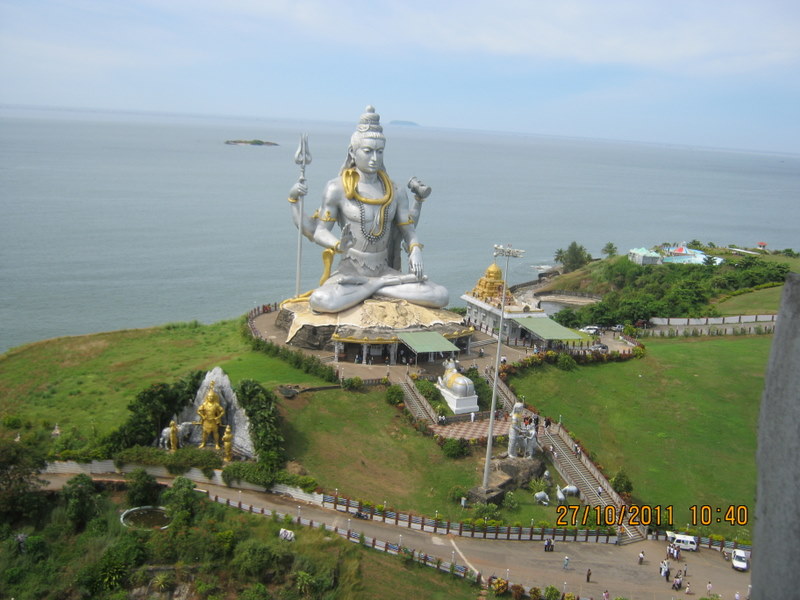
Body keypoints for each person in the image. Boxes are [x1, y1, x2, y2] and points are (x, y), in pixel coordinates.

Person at [287, 106, 449, 313]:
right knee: (321, 299)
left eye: (379, 152)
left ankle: (375, 287)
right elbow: (319, 231)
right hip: (351, 271)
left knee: (440, 295)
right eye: (368, 151)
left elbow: (408, 230)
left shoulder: (395, 190)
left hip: (384, 271)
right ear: (352, 153)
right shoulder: (336, 188)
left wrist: (415, 250)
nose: (374, 158)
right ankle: (377, 287)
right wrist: (338, 244)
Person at [197, 381, 225, 449]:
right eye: (209, 397)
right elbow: (198, 411)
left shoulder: (216, 404)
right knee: (204, 433)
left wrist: (218, 417)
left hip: (213, 421)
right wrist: (202, 416)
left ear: (214, 397)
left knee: (215, 432)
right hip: (206, 420)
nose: (210, 398)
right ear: (207, 397)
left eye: (212, 397)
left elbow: (222, 411)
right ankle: (203, 443)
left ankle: (217, 444)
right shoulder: (204, 404)